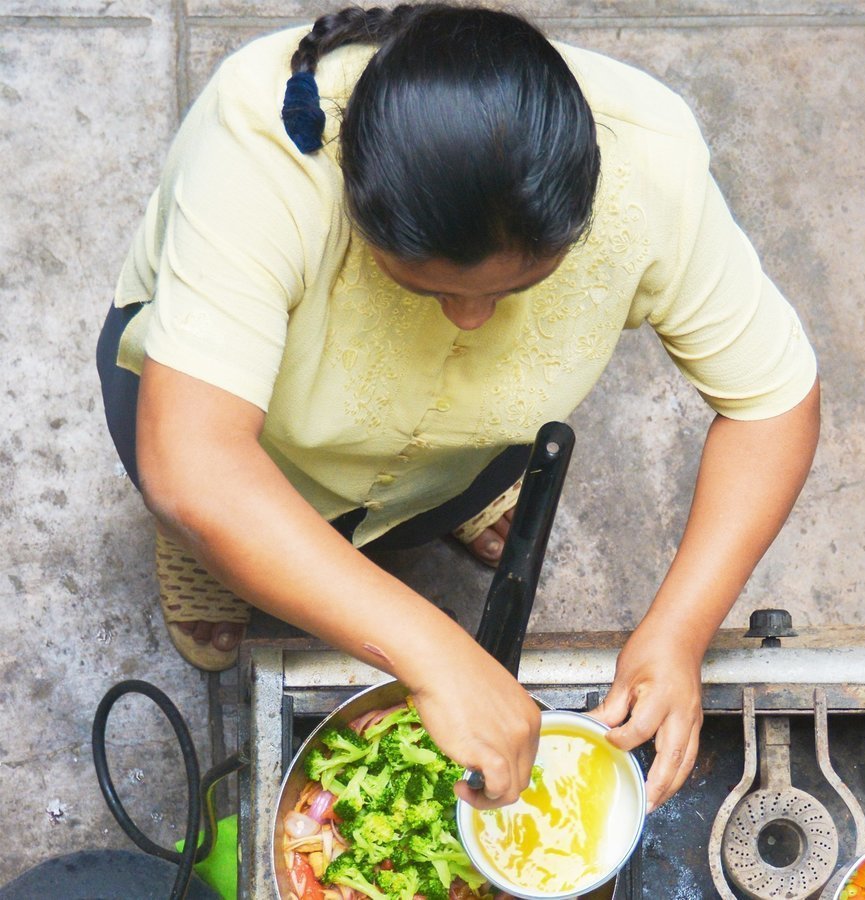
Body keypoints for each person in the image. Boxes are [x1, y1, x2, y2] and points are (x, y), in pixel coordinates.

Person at [97, 3, 819, 812]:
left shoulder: (649, 167)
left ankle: (435, 505)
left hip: (465, 446)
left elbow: (773, 402)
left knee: (448, 487)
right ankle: (205, 555)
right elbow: (195, 461)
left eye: (520, 288)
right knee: (208, 519)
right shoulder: (267, 151)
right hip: (248, 439)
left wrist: (680, 632)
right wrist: (434, 651)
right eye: (424, 287)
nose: (472, 321)